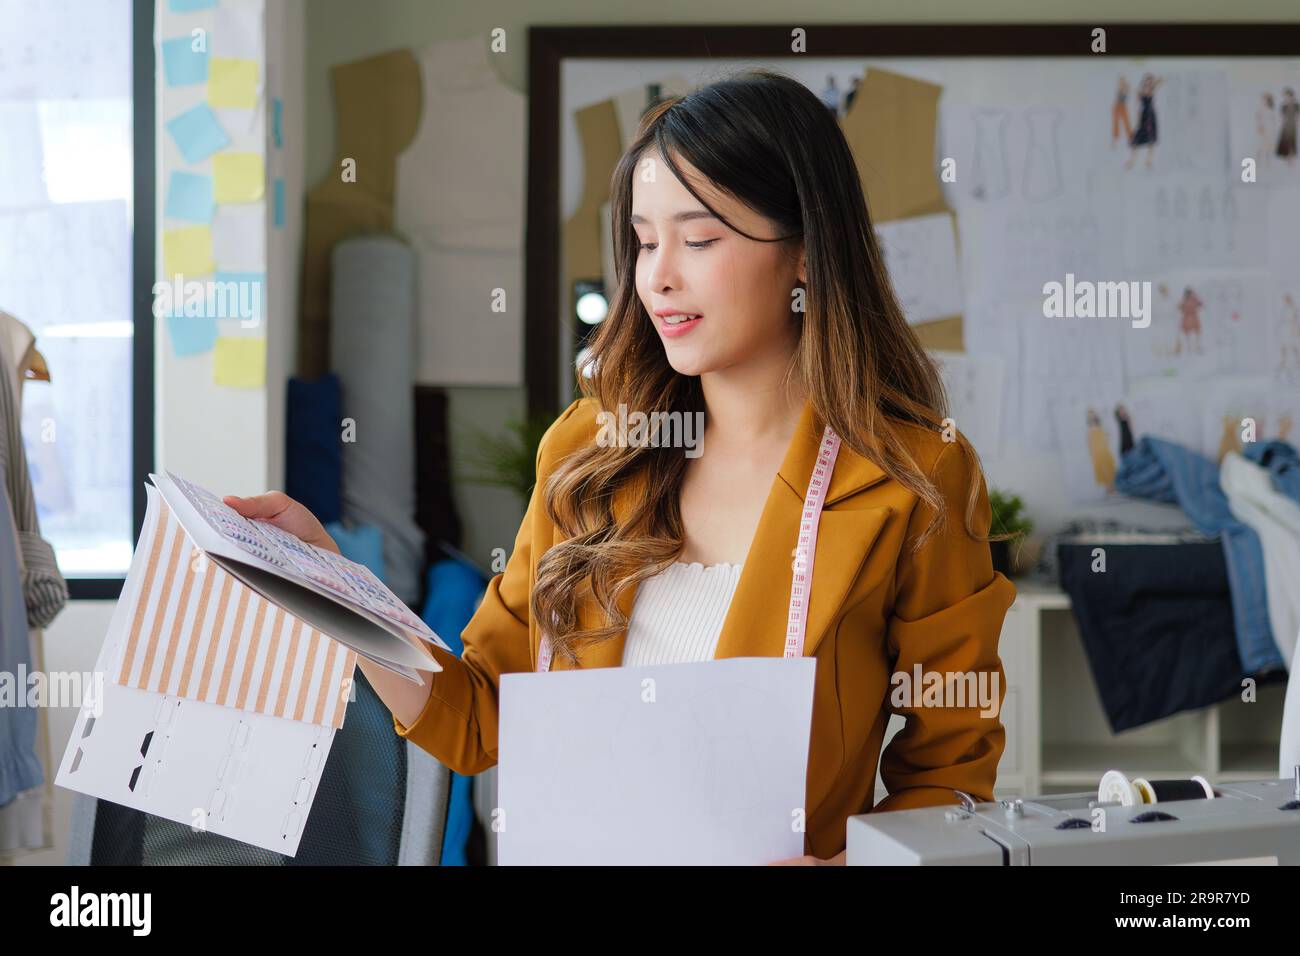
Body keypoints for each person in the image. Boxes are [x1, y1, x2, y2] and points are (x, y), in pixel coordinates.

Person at [225, 70, 1016, 865]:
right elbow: (478, 717)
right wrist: (330, 585)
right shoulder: (589, 452)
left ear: (806, 253)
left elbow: (950, 779)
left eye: (700, 240)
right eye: (643, 240)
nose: (658, 276)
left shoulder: (914, 479)